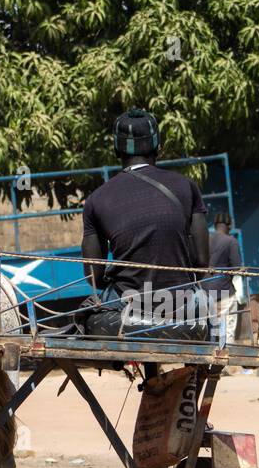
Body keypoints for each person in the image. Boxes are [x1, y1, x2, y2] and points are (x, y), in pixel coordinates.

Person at [81, 108, 210, 334]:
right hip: (183, 302)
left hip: (128, 303)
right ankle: (206, 368)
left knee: (84, 315)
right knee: (212, 315)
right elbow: (201, 260)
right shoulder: (186, 186)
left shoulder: (96, 200)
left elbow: (93, 275)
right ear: (158, 146)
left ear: (116, 149)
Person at [206, 213, 243, 345]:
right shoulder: (231, 241)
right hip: (225, 293)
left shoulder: (205, 239)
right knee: (228, 332)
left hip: (206, 294)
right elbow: (237, 268)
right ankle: (226, 361)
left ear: (215, 225)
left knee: (210, 332)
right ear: (229, 226)